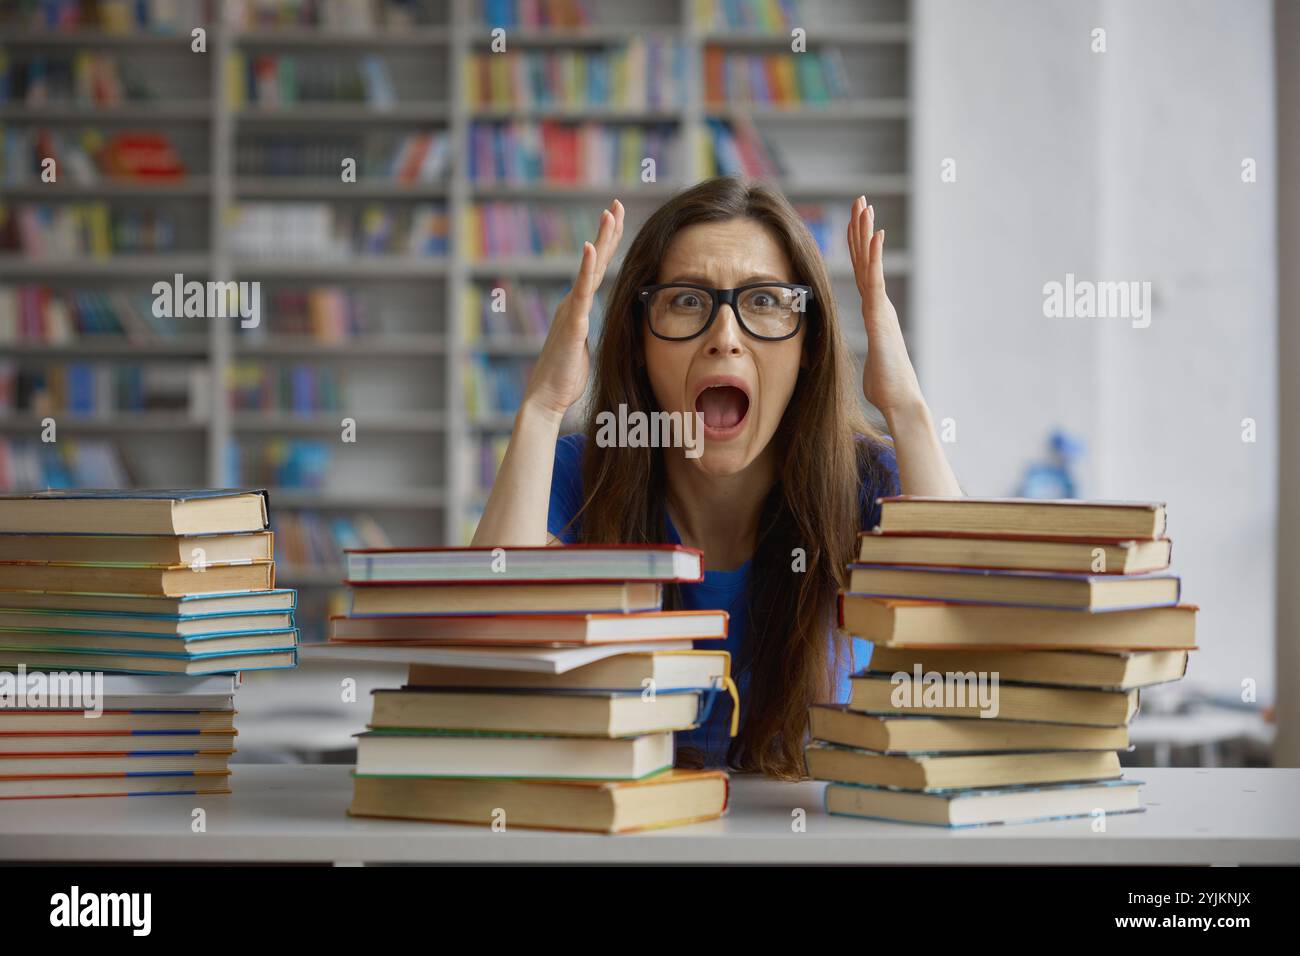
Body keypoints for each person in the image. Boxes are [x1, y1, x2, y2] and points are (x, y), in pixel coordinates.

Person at [471, 176, 961, 778]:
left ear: (808, 344)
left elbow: (963, 647)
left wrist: (906, 406)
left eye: (764, 301)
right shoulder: (581, 473)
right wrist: (543, 406)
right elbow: (486, 673)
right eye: (686, 302)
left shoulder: (865, 479)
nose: (724, 339)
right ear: (640, 345)